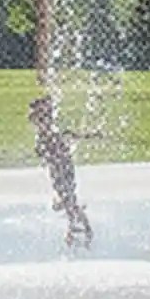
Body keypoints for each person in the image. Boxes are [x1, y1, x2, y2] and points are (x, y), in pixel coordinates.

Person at [28, 95, 93, 247]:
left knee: (68, 201)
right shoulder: (46, 131)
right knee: (66, 201)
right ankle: (77, 227)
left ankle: (81, 230)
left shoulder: (49, 132)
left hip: (62, 170)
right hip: (57, 170)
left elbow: (63, 140)